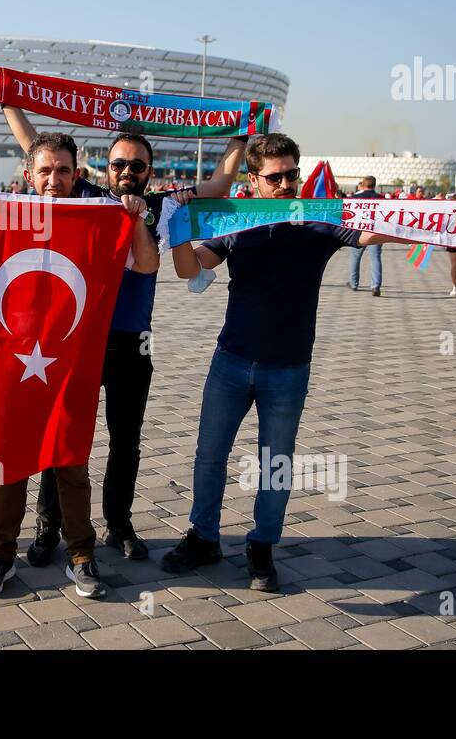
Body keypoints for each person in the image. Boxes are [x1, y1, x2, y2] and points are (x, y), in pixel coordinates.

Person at [165, 133, 419, 592]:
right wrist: (180, 229)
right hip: (230, 362)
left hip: (288, 368)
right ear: (254, 180)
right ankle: (203, 537)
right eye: (275, 177)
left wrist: (445, 221)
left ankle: (262, 546)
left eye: (291, 175)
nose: (285, 184)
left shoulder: (316, 222)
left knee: (275, 462)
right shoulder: (237, 222)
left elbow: (369, 231)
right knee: (209, 455)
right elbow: (190, 267)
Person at [0, 106, 246, 563]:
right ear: (105, 168)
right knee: (63, 437)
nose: (127, 171)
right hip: (77, 344)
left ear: (149, 172)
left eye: (137, 165)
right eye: (119, 164)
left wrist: (243, 137)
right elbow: (37, 150)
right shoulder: (86, 194)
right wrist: (10, 102)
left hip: (134, 344)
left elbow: (217, 187)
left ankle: (118, 523)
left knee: (125, 441)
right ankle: (48, 526)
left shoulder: (164, 205)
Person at [0, 131, 158, 600]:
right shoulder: (1, 215)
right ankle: (0, 552)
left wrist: (137, 220)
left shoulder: (97, 217)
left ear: (77, 176)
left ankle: (81, 554)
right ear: (29, 174)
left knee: (70, 457)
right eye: (44, 170)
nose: (54, 179)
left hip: (70, 357)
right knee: (11, 457)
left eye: (63, 170)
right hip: (14, 358)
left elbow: (146, 267)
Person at [347, 176, 383, 296]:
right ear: (374, 185)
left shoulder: (355, 198)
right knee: (375, 258)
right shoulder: (381, 199)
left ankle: (353, 283)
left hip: (358, 232)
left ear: (363, 184)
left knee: (355, 257)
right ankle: (375, 286)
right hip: (375, 232)